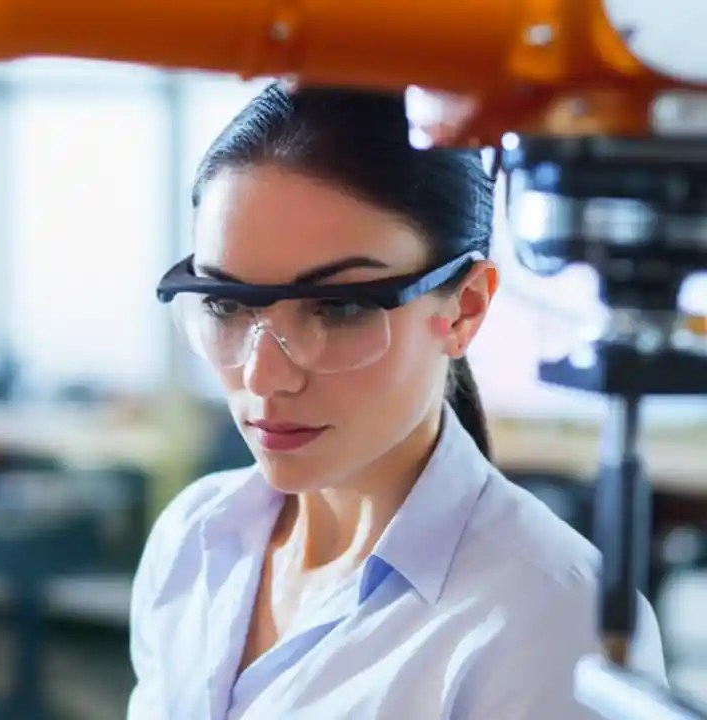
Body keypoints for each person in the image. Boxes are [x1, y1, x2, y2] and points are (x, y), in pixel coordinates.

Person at [127, 84, 667, 719]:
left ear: (465, 308)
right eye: (226, 304)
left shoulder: (550, 620)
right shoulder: (196, 538)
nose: (264, 376)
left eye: (340, 308)